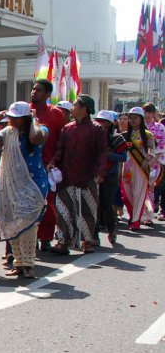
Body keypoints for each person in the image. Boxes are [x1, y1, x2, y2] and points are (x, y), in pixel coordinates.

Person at [0, 102, 48, 279]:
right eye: (11, 117)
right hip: (11, 184)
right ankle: (19, 262)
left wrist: (34, 119)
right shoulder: (7, 132)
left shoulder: (41, 130)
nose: (12, 120)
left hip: (33, 183)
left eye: (17, 118)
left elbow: (35, 139)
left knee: (28, 221)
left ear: (26, 118)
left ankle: (28, 263)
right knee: (12, 219)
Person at [47, 95, 106, 254]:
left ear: (84, 108)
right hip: (66, 177)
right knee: (63, 210)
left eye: (74, 105)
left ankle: (87, 242)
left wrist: (101, 173)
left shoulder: (97, 129)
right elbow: (60, 150)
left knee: (87, 211)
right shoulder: (67, 128)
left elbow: (102, 153)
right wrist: (53, 162)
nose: (71, 109)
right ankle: (62, 242)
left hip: (88, 178)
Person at [29, 80, 67, 251]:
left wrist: (55, 161)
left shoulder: (56, 114)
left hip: (48, 168)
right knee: (28, 205)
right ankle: (29, 239)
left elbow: (62, 141)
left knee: (48, 205)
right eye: (33, 89)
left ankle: (45, 238)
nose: (34, 92)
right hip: (27, 167)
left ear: (47, 94)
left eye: (38, 90)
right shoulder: (24, 111)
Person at [93, 110, 128, 246]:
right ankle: (94, 235)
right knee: (94, 205)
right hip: (94, 174)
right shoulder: (92, 137)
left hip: (110, 175)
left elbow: (123, 157)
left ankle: (111, 230)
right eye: (98, 120)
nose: (99, 123)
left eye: (103, 121)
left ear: (109, 123)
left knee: (106, 204)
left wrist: (107, 155)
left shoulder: (117, 138)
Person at [120, 106, 157, 230]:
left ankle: (135, 221)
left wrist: (148, 160)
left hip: (141, 167)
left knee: (138, 194)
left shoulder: (148, 134)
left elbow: (152, 150)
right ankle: (133, 216)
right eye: (131, 118)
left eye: (135, 118)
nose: (132, 120)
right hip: (126, 167)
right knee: (127, 195)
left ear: (141, 119)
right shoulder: (125, 135)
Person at [144, 104, 165, 220]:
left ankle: (148, 215)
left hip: (154, 162)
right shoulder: (138, 127)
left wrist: (154, 159)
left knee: (150, 187)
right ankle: (138, 214)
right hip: (138, 160)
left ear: (153, 113)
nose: (146, 114)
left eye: (149, 112)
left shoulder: (159, 127)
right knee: (138, 187)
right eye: (144, 112)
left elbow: (161, 145)